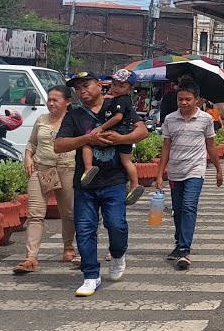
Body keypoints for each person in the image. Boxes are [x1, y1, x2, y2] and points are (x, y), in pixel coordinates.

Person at [54, 71, 149, 297]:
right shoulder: (74, 115)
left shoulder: (117, 104)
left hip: (114, 179)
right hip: (85, 183)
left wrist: (121, 139)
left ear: (99, 85)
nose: (83, 91)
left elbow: (142, 131)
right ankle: (90, 275)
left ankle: (118, 254)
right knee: (85, 229)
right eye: (78, 89)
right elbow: (59, 144)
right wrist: (88, 139)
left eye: (86, 85)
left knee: (116, 224)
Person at [155, 79, 223, 271]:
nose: (184, 103)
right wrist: (160, 174)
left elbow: (211, 146)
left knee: (188, 206)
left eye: (188, 99)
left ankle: (184, 249)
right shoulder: (170, 119)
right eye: (180, 99)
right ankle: (179, 244)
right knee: (177, 209)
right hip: (175, 172)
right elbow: (166, 148)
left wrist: (218, 169)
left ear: (197, 100)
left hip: (196, 170)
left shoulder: (206, 119)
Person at [14, 85, 78, 274]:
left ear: (67, 102)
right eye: (49, 99)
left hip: (67, 168)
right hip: (41, 168)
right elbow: (32, 143)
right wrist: (27, 157)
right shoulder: (41, 119)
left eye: (55, 100)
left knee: (68, 213)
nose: (50, 103)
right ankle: (31, 257)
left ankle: (68, 247)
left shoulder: (74, 120)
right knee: (35, 214)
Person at [79, 69, 142, 206]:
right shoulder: (120, 100)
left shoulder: (121, 101)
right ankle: (135, 185)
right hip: (123, 134)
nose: (116, 88)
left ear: (131, 89)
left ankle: (89, 168)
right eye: (114, 84)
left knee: (88, 143)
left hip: (117, 132)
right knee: (126, 161)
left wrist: (101, 128)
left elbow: (118, 117)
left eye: (121, 86)